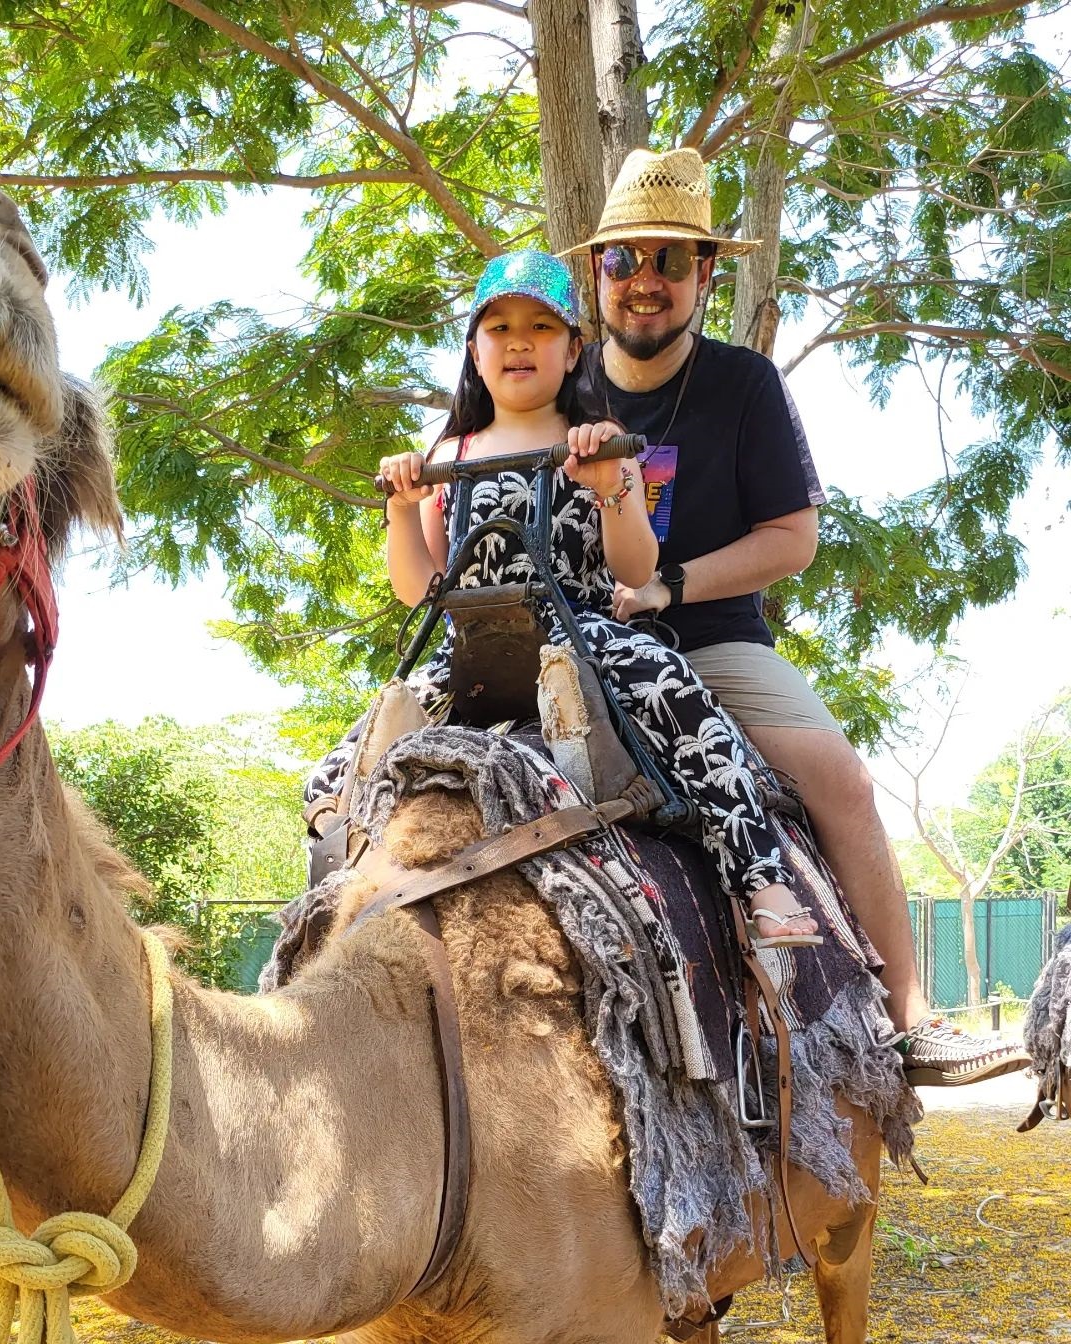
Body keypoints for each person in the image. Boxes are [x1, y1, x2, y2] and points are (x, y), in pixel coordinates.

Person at [560, 146, 1029, 1087]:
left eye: (670, 261)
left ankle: (909, 1020)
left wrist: (671, 587)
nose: (644, 282)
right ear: (596, 274)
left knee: (843, 782)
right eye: (623, 261)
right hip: (576, 650)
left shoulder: (744, 386)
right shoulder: (559, 385)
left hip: (713, 639)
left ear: (707, 272)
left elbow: (792, 537)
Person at [321, 248, 821, 946]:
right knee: (346, 762)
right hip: (471, 651)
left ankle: (761, 880)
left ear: (574, 348)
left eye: (542, 327)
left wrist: (612, 483)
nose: (519, 342)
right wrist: (404, 508)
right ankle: (329, 893)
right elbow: (418, 586)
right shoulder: (448, 451)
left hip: (580, 636)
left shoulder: (597, 440)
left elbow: (635, 563)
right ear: (473, 347)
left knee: (680, 697)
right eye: (498, 328)